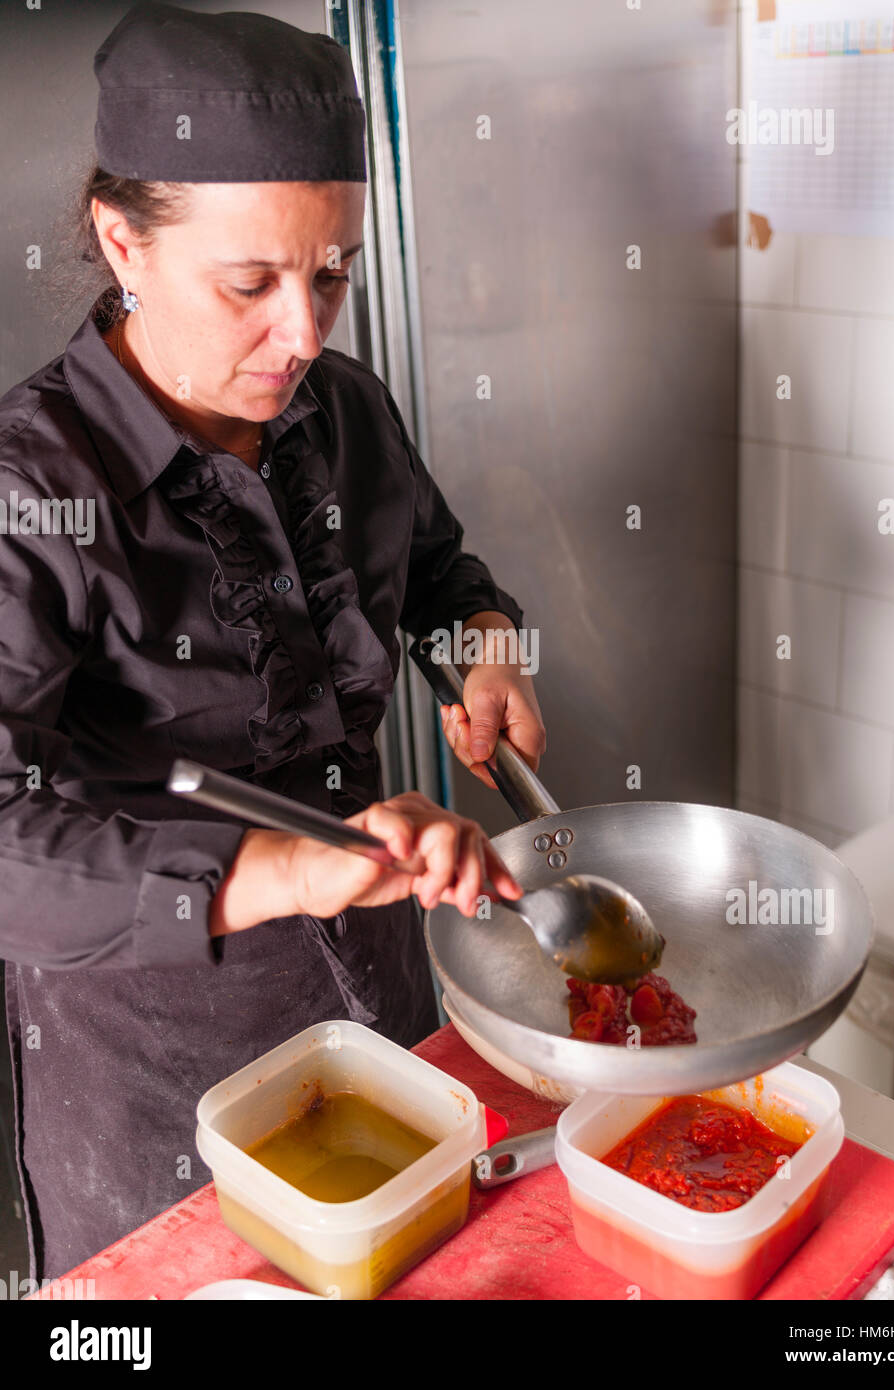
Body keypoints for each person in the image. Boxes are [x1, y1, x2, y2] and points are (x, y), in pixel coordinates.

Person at [0, 2, 545, 1282]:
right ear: (121, 240)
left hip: (385, 996)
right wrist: (282, 874)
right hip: (160, 1086)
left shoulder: (341, 408)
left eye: (333, 274)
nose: (303, 335)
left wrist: (481, 644)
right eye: (249, 283)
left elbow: (435, 569)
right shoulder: (32, 490)